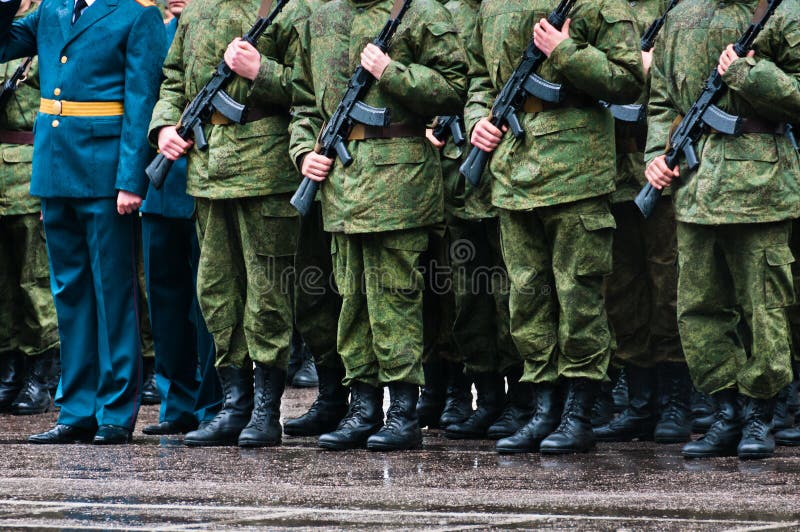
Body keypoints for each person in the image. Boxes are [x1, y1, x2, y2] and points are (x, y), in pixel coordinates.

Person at [465, 0, 643, 455]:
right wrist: (478, 121)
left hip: (575, 170)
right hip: (512, 172)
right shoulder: (494, 5)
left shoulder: (597, 4)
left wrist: (564, 51)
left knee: (577, 295)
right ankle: (542, 409)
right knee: (526, 298)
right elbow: (480, 77)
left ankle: (578, 413)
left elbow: (628, 80)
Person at [290, 0, 467, 451]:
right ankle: (363, 408)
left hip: (400, 181)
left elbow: (453, 89)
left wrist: (392, 72)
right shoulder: (324, 17)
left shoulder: (421, 12)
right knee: (352, 302)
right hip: (342, 186)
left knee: (396, 301)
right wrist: (302, 152)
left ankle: (403, 413)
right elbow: (305, 102)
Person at [0, 0, 166, 444]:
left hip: (105, 172)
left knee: (113, 293)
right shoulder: (51, 11)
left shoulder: (135, 15)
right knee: (69, 293)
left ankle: (114, 411)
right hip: (55, 170)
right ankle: (75, 409)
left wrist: (131, 180)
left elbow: (140, 99)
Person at [150, 0, 311, 447]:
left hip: (265, 170)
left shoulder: (283, 9)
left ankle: (265, 411)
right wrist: (165, 126)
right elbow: (172, 79)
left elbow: (313, 88)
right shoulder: (197, 10)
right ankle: (234, 405)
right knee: (217, 291)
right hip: (208, 173)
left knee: (267, 293)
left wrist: (263, 71)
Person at [644, 0, 800, 460]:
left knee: (763, 306)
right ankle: (726, 408)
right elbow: (661, 101)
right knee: (698, 308)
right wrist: (656, 153)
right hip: (694, 188)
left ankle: (760, 413)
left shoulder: (782, 13)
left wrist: (750, 76)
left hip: (759, 185)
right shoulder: (680, 13)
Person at [593, 0, 693, 445]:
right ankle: (637, 400)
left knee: (668, 284)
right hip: (607, 170)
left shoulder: (672, 9)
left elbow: (689, 81)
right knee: (621, 290)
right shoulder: (595, 8)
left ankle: (676, 399)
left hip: (660, 171)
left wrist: (649, 69)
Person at [433, 0, 526, 443]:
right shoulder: (444, 11)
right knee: (468, 296)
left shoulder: (508, 9)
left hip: (511, 174)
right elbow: (465, 85)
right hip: (458, 175)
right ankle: (486, 395)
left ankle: (521, 398)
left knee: (514, 295)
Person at [139, 0, 223, 436]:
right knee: (166, 300)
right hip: (159, 182)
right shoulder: (150, 29)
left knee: (207, 301)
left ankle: (212, 402)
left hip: (208, 181)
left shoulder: (225, 22)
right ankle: (176, 402)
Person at [0, 0, 60, 417]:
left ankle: (43, 373)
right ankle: (9, 369)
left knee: (33, 278)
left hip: (28, 172)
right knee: (3, 284)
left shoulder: (44, 24)